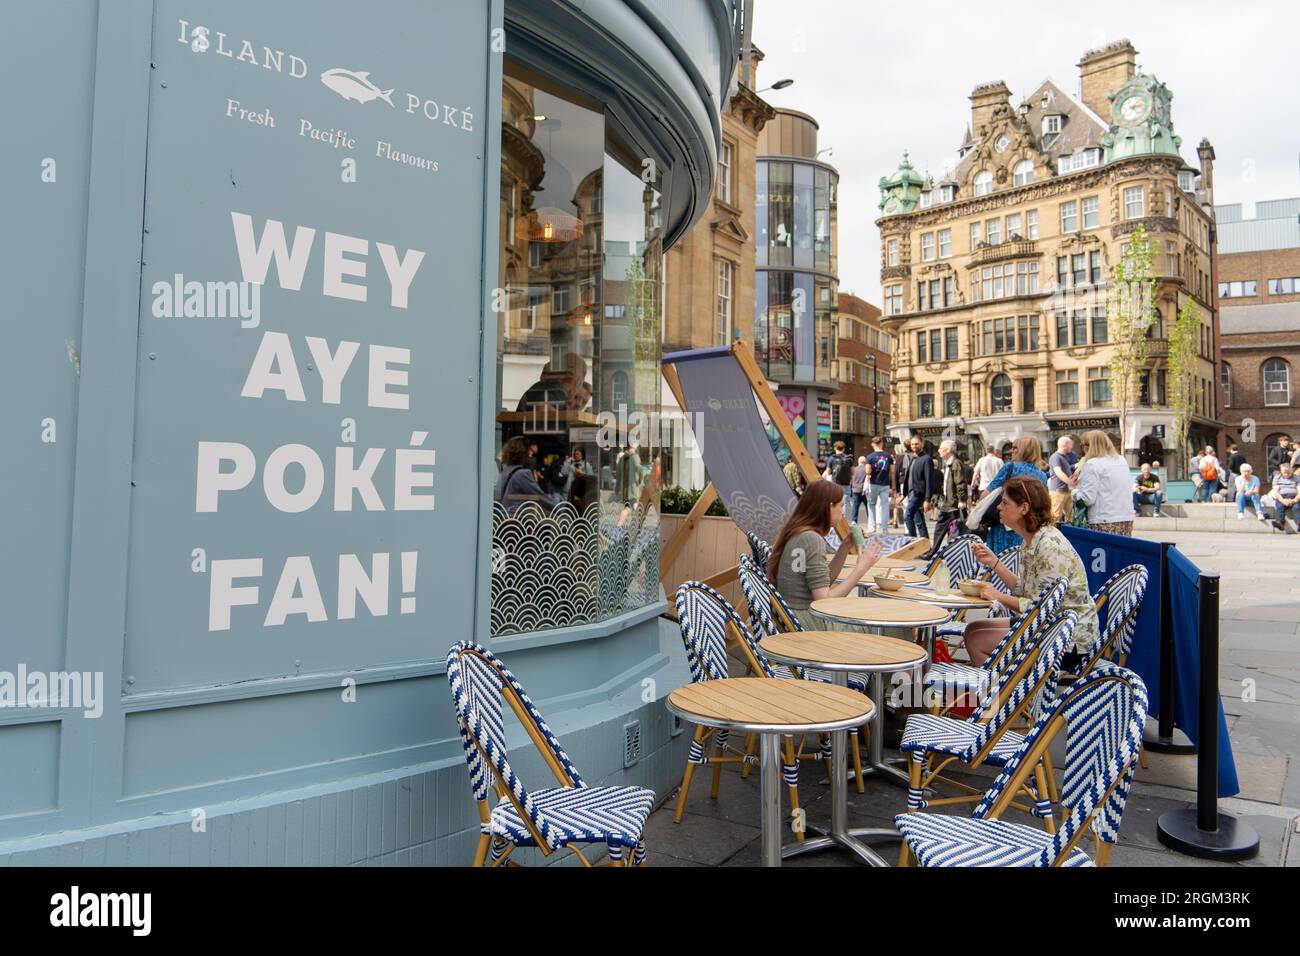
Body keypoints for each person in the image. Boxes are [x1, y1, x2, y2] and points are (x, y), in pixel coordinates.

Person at [966, 477, 1100, 671]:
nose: (999, 508)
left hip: (1068, 640)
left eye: (1005, 503)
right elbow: (1026, 590)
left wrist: (997, 596)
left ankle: (1003, 698)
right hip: (1048, 625)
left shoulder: (1049, 546)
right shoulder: (1034, 538)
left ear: (1024, 508)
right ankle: (1002, 689)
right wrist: (994, 563)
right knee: (972, 629)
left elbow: (1041, 608)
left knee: (978, 641)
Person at [768, 479, 885, 631]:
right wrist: (861, 569)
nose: (843, 512)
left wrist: (845, 546)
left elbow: (822, 582)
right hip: (811, 626)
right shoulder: (812, 539)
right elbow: (824, 602)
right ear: (829, 507)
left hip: (792, 620)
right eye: (841, 505)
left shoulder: (799, 533)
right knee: (883, 623)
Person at [983, 436, 1050, 554]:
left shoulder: (1010, 467)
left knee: (1000, 563)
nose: (1011, 451)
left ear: (1025, 450)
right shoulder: (1042, 475)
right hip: (1027, 527)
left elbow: (985, 495)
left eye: (1015, 448)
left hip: (1004, 526)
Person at [1073, 430, 1135, 536]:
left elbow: (1087, 499)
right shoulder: (1121, 460)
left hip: (1102, 520)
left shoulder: (1092, 464)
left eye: (1082, 445)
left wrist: (1074, 492)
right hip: (1125, 518)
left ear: (1089, 446)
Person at [927, 439, 970, 557]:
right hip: (948, 502)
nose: (938, 451)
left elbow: (960, 483)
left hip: (953, 504)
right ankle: (936, 552)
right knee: (945, 528)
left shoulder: (955, 463)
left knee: (949, 528)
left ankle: (938, 552)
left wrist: (962, 500)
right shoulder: (948, 464)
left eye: (941, 449)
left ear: (947, 450)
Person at [495, 436, 557, 514]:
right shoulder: (523, 474)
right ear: (524, 452)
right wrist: (561, 508)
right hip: (518, 519)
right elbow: (540, 496)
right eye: (528, 450)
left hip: (503, 518)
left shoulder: (504, 472)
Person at [899, 435, 936, 539]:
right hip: (911, 493)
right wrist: (903, 494)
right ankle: (925, 544)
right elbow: (908, 478)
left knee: (907, 516)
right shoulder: (913, 458)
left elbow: (929, 480)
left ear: (922, 444)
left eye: (916, 444)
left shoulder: (926, 459)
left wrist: (927, 500)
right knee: (919, 521)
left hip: (918, 493)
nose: (914, 446)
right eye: (912, 444)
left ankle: (912, 541)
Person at [864, 436, 895, 532]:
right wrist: (893, 485)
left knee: (871, 504)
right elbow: (892, 472)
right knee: (885, 505)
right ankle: (884, 528)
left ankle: (872, 526)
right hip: (885, 484)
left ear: (872, 444)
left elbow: (868, 472)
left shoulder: (869, 457)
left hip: (873, 483)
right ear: (881, 443)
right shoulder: (888, 456)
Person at [1047, 436, 1078, 525]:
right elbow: (1058, 472)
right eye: (1071, 445)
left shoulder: (1064, 457)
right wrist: (1070, 482)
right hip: (1058, 491)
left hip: (1066, 491)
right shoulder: (1055, 457)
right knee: (1054, 516)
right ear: (1065, 445)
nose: (1072, 447)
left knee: (1071, 516)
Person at [1269, 461, 1300, 531]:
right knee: (1279, 506)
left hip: (1294, 497)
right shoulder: (1277, 478)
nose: (1286, 474)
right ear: (1281, 471)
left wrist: (1294, 500)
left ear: (1292, 471)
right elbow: (1276, 492)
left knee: (1297, 507)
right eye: (1284, 473)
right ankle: (1280, 523)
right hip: (1281, 497)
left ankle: (1299, 523)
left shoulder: (1297, 478)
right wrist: (1282, 500)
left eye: (1288, 472)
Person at [828, 440, 855, 511]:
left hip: (835, 483)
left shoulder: (832, 458)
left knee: (835, 502)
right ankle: (843, 520)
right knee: (845, 503)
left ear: (835, 448)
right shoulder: (849, 458)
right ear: (844, 449)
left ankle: (835, 519)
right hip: (846, 484)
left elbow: (828, 472)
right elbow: (853, 472)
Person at [850, 456, 869, 523]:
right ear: (865, 462)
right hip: (864, 490)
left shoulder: (854, 469)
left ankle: (854, 521)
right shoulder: (866, 469)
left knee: (855, 506)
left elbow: (851, 480)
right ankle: (870, 520)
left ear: (858, 462)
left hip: (855, 490)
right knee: (868, 506)